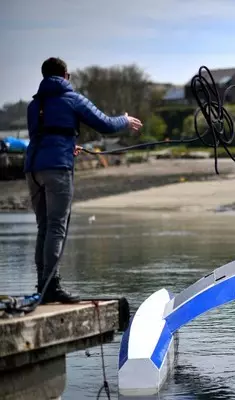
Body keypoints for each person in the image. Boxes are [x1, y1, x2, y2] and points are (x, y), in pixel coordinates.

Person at [24, 57, 143, 304]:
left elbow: (46, 134)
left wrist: (69, 144)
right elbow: (105, 125)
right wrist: (125, 120)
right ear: (66, 75)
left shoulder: (34, 105)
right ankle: (52, 286)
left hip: (33, 169)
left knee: (44, 227)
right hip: (57, 168)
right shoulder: (71, 98)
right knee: (57, 226)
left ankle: (42, 284)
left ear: (44, 76)